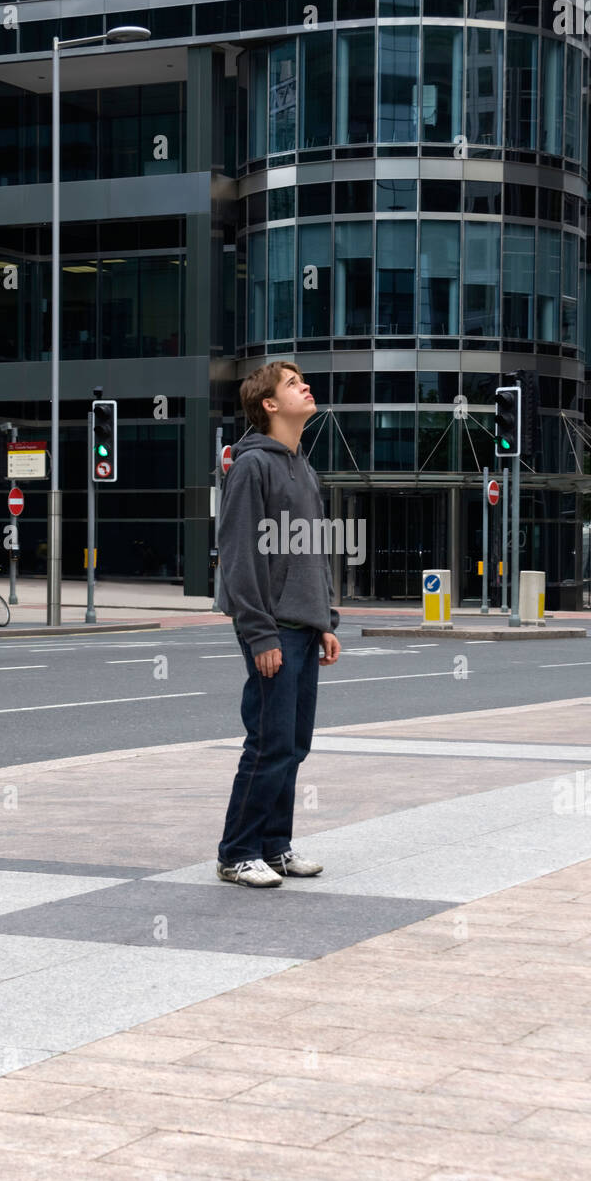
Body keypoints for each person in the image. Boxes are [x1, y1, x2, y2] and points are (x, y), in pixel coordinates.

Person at [215, 361, 341, 888]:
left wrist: (326, 618)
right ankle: (236, 852)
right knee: (268, 742)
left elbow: (312, 550)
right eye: (293, 383)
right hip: (273, 627)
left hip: (303, 626)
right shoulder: (252, 467)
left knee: (293, 742)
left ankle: (274, 845)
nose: (305, 386)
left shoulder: (302, 466)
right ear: (269, 404)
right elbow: (239, 554)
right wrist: (260, 632)